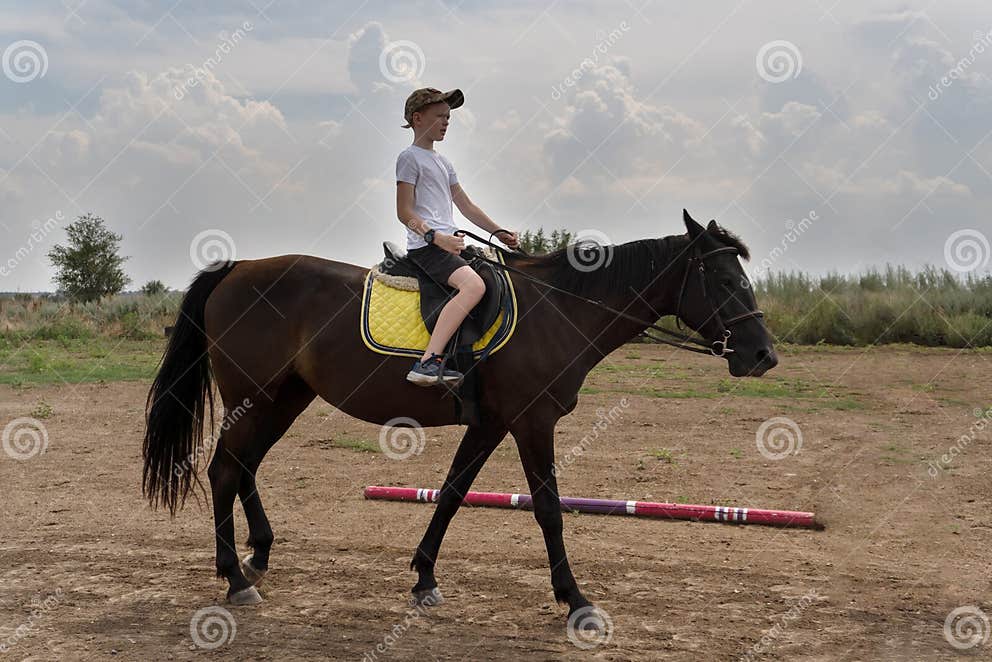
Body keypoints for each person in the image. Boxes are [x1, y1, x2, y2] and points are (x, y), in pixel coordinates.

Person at [395, 87, 519, 386]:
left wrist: (498, 232)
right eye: (439, 116)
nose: (446, 122)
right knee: (473, 287)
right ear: (417, 118)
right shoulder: (409, 158)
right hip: (427, 249)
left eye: (448, 117)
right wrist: (436, 238)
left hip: (449, 246)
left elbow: (466, 206)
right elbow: (404, 212)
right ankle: (427, 361)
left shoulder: (443, 162)